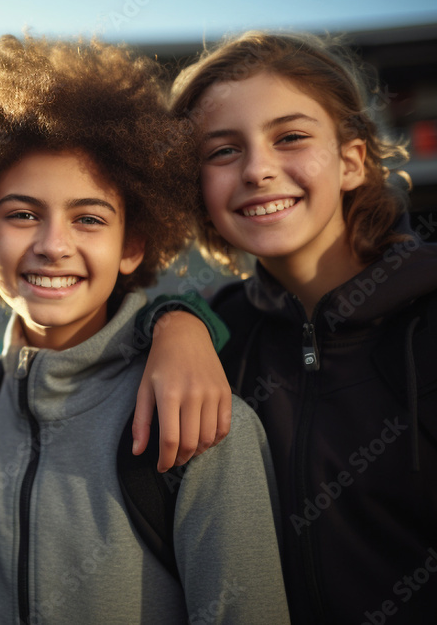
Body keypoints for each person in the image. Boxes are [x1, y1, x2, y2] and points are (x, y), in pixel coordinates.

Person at [0, 34, 289, 624]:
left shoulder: (203, 424)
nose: (53, 245)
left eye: (88, 218)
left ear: (132, 245)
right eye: (23, 214)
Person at [170, 30, 437, 623]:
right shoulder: (213, 332)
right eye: (223, 151)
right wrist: (173, 323)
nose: (259, 170)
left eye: (290, 137)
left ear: (350, 161)